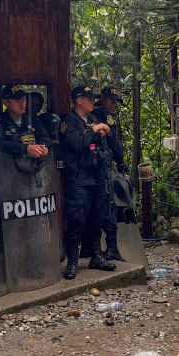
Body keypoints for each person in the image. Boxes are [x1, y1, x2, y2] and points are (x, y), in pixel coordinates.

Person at [59, 85, 117, 279]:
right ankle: (73, 260)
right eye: (89, 98)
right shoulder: (68, 121)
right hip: (78, 177)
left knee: (97, 216)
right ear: (79, 100)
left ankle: (96, 255)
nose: (93, 102)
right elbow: (76, 143)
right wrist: (93, 130)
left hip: (97, 175)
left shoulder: (93, 119)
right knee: (76, 219)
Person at [92, 86, 128, 262]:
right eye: (111, 100)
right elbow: (113, 141)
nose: (113, 104)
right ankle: (111, 247)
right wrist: (121, 162)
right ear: (103, 98)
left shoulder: (94, 113)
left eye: (116, 101)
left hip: (96, 166)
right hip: (100, 167)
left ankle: (99, 248)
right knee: (108, 206)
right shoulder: (101, 114)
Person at [0, 83, 51, 163]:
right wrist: (26, 148)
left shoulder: (32, 119)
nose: (22, 103)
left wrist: (44, 147)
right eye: (17, 100)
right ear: (5, 102)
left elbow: (45, 137)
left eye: (24, 99)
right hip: (7, 169)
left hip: (32, 167)